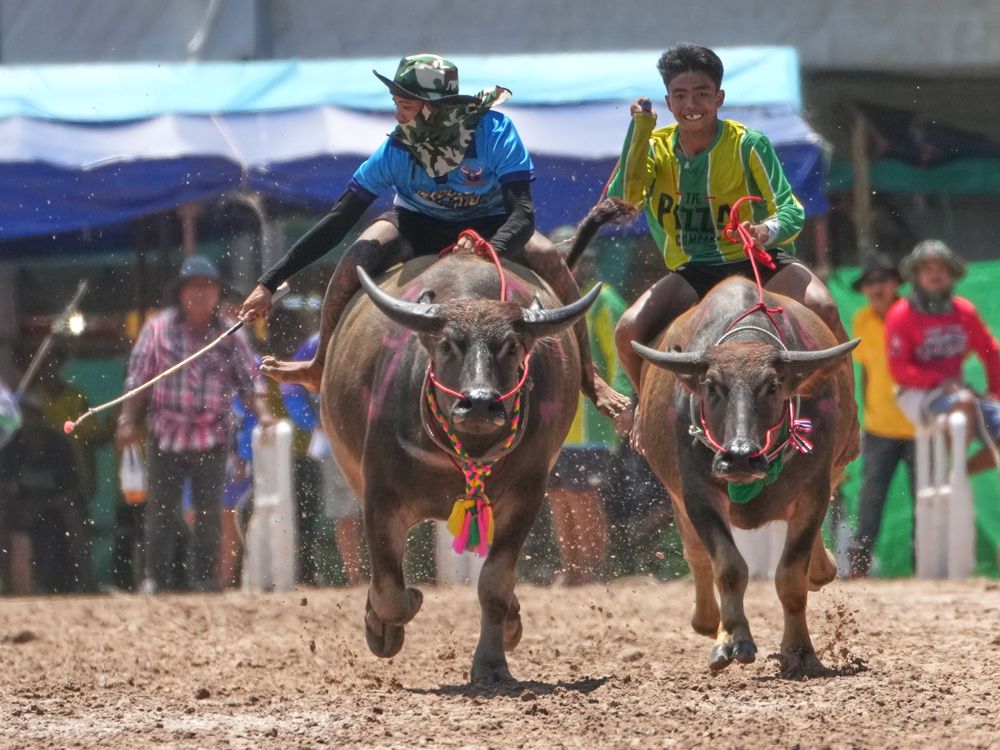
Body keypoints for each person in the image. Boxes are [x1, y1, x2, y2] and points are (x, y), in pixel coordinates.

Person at [238, 54, 629, 425]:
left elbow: (523, 214)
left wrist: (487, 247)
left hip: (492, 224)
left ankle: (588, 376)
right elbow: (340, 218)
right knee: (355, 257)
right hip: (416, 222)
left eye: (405, 106)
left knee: (547, 256)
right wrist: (268, 282)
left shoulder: (495, 133)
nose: (397, 115)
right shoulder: (396, 147)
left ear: (432, 107)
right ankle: (320, 364)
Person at [607, 44, 852, 401]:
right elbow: (625, 201)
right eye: (681, 95)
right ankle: (643, 411)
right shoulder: (655, 147)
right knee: (628, 331)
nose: (691, 105)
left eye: (701, 94)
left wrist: (765, 230)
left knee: (826, 308)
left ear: (719, 97)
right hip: (695, 269)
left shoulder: (748, 144)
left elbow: (791, 210)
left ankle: (848, 414)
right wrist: (639, 128)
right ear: (669, 101)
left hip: (759, 262)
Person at [115, 256, 273, 593]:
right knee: (161, 510)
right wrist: (128, 420)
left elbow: (249, 381)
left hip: (212, 436)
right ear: (181, 293)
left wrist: (264, 414)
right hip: (166, 435)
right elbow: (138, 380)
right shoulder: (158, 330)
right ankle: (155, 578)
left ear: (217, 292)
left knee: (209, 513)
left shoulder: (229, 333)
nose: (201, 294)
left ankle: (204, 579)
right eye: (194, 287)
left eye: (208, 287)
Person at [546, 229, 631, 584]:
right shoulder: (552, 301)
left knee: (583, 493)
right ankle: (572, 569)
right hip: (557, 423)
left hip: (591, 422)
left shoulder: (604, 300)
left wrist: (622, 405)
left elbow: (622, 357)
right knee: (558, 494)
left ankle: (594, 569)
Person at [886, 240, 1000, 476]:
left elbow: (990, 350)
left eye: (941, 269)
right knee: (965, 403)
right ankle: (945, 471)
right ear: (917, 276)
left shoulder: (963, 311)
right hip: (914, 393)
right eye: (927, 269)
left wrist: (996, 391)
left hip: (957, 392)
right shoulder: (901, 314)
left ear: (951, 275)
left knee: (967, 404)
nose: (935, 275)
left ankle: (956, 475)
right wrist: (939, 380)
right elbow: (899, 369)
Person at [847, 253, 916, 577]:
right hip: (878, 427)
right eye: (870, 283)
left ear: (895, 284)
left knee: (926, 503)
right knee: (869, 501)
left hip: (922, 426)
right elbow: (866, 373)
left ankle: (923, 571)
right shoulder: (862, 320)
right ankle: (859, 570)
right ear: (864, 289)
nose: (876, 288)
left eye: (882, 281)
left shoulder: (915, 314)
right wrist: (860, 414)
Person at [281, 332, 365, 586]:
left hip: (375, 437)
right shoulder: (316, 343)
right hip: (336, 442)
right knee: (345, 512)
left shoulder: (375, 333)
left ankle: (381, 575)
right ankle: (354, 575)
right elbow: (290, 384)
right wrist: (311, 420)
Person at [0, 396, 87, 594]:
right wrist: (21, 508)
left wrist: (41, 506)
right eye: (24, 415)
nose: (28, 421)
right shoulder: (11, 446)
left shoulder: (58, 446)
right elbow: (5, 488)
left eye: (33, 415)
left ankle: (85, 579)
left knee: (72, 514)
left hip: (53, 508)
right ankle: (7, 583)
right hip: (19, 510)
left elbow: (70, 491)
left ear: (41, 417)